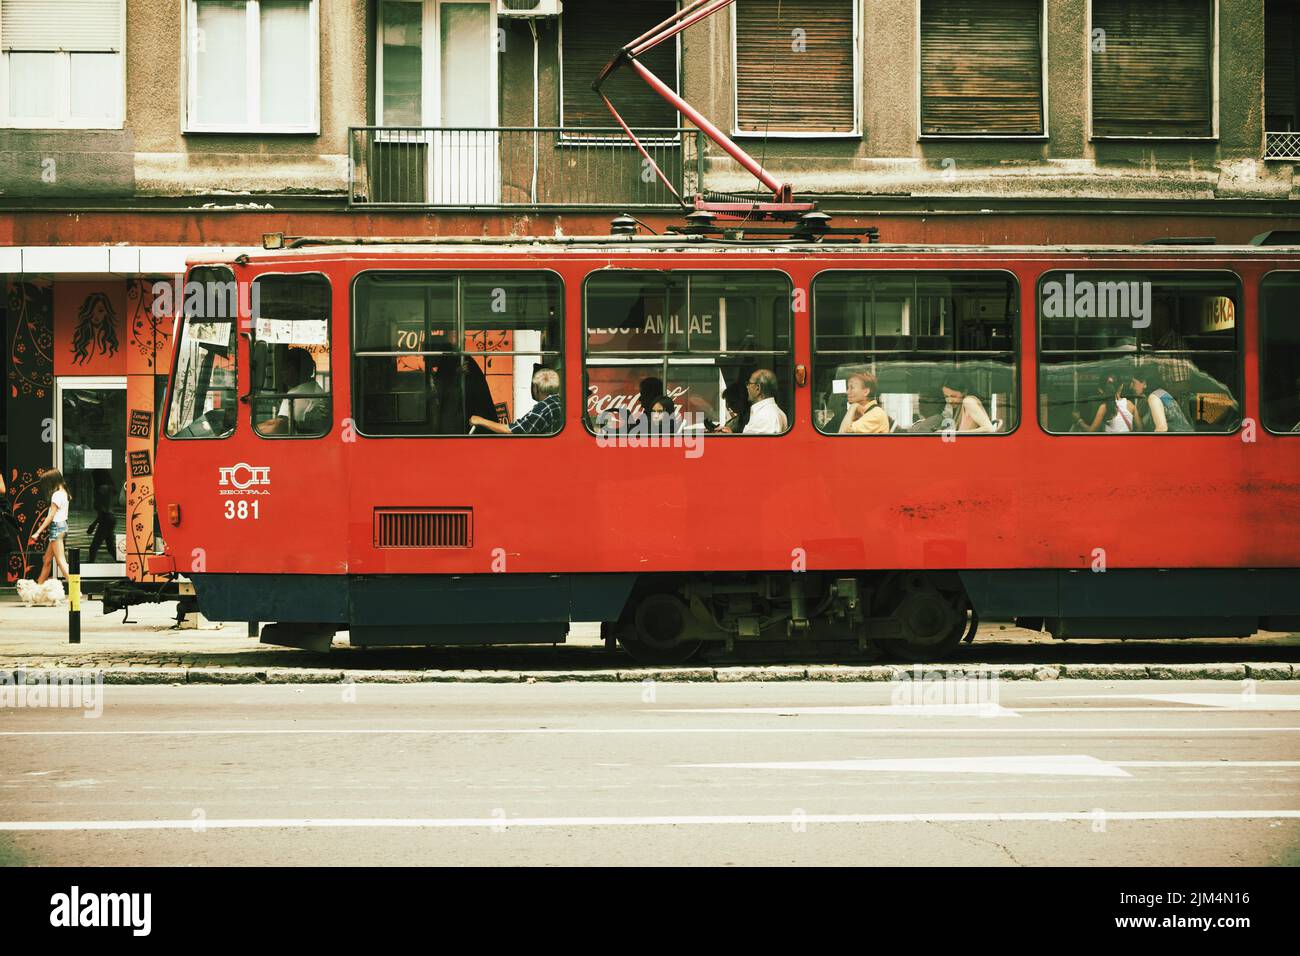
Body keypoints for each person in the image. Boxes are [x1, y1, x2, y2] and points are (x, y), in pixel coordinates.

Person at [470, 366, 563, 435]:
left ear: (536, 388)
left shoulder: (544, 407)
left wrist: (480, 420)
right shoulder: (558, 402)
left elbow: (513, 430)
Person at [258, 347, 326, 436]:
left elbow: (281, 426)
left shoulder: (296, 395)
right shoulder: (315, 388)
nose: (281, 373)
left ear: (292, 369)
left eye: (283, 368)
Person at [28, 469, 70, 585]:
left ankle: (76, 590)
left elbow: (51, 516)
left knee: (61, 561)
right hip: (63, 526)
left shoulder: (56, 495)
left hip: (56, 527)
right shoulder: (64, 492)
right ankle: (39, 587)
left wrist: (37, 532)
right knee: (47, 559)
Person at [1072, 372, 1139, 434]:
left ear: (1100, 390)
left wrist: (1078, 420)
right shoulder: (1130, 404)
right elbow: (1140, 429)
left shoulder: (1104, 407)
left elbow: (1091, 431)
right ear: (1121, 386)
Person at [723, 368, 786, 434]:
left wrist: (731, 437)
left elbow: (748, 444)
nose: (747, 387)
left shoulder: (764, 416)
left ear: (757, 388)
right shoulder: (776, 412)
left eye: (749, 383)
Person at [1131, 366, 1192, 432]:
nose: (1131, 386)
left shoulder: (1154, 398)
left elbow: (1162, 429)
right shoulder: (1161, 393)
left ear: (1145, 383)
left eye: (1134, 383)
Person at [86, 472, 117, 563]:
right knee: (111, 548)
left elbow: (102, 511)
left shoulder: (101, 490)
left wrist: (93, 525)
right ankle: (122, 565)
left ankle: (89, 568)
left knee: (93, 548)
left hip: (105, 519)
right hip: (111, 518)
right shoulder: (110, 488)